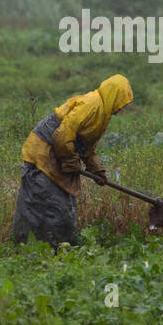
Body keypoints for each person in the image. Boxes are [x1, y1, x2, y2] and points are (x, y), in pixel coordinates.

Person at [11, 74, 134, 248]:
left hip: (60, 151)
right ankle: (35, 247)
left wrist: (97, 170)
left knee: (64, 203)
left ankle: (60, 247)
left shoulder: (102, 114)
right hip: (44, 151)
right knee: (46, 201)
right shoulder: (91, 104)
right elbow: (62, 135)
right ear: (113, 96)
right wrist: (70, 161)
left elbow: (88, 147)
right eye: (121, 102)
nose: (121, 108)